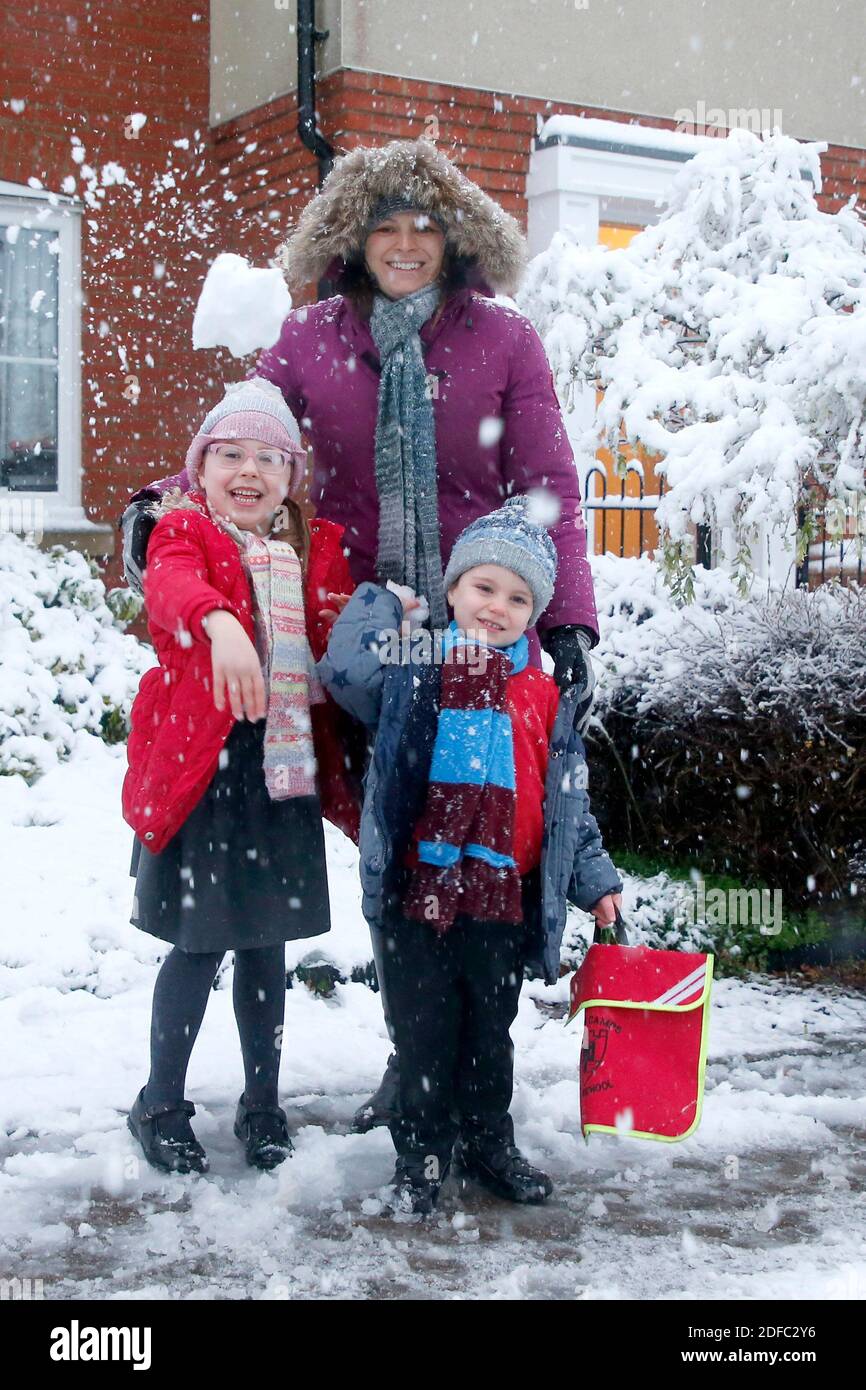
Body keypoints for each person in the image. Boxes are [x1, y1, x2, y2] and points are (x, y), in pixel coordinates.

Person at [120, 137, 601, 1131]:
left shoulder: (502, 340)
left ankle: (429, 1070)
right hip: (355, 630)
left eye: (422, 224)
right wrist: (161, 511)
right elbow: (240, 442)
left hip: (469, 629)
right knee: (393, 852)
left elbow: (548, 482)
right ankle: (414, 1057)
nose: (404, 243)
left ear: (454, 234)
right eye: (383, 224)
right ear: (352, 235)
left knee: (460, 850)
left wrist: (566, 620)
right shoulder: (309, 339)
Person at [317, 496, 623, 1214]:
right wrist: (379, 603)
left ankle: (488, 1139)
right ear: (453, 590)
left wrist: (594, 878)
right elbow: (344, 673)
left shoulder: (544, 694)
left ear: (536, 613)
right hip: (418, 892)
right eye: (484, 587)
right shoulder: (417, 665)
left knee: (490, 1033)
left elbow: (565, 803)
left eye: (519, 597)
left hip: (502, 897)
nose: (498, 606)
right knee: (423, 1033)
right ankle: (421, 1152)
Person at [122, 379, 354, 1175]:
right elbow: (171, 585)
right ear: (201, 467)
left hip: (277, 779)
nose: (247, 469)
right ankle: (159, 1102)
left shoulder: (306, 554)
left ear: (289, 478)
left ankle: (263, 1103)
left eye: (267, 457)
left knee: (265, 953)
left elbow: (341, 624)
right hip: (205, 780)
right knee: (196, 948)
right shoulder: (184, 531)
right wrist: (219, 621)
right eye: (229, 454)